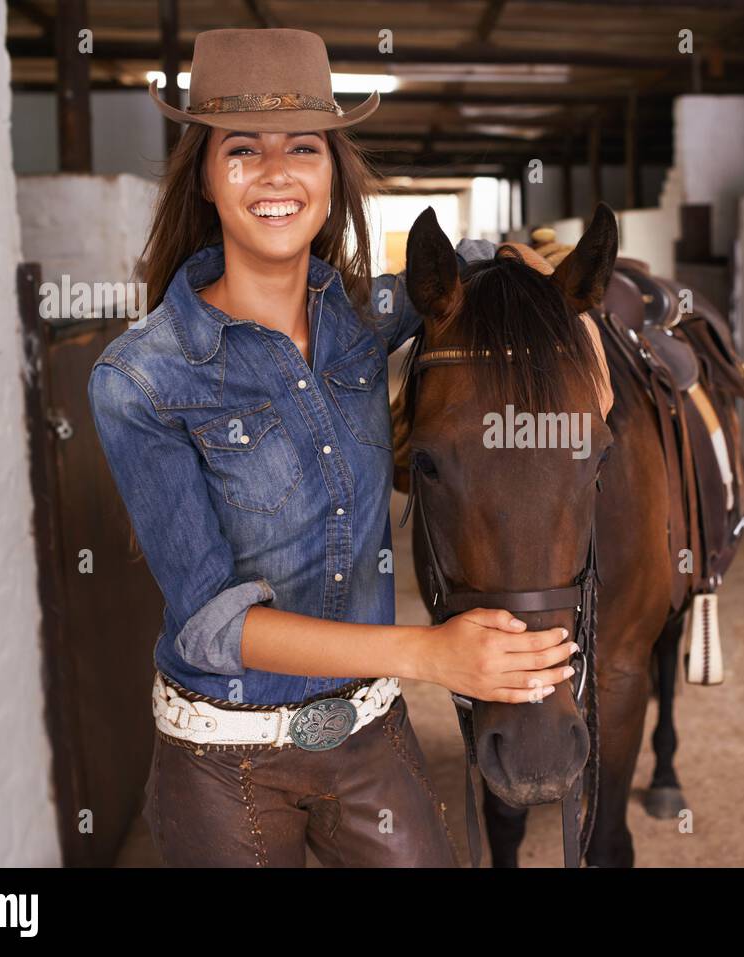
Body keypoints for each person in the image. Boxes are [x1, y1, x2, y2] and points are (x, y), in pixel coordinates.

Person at [87, 28, 577, 867]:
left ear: (330, 173)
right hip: (225, 759)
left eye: (303, 148)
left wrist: (551, 298)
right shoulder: (140, 378)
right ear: (205, 176)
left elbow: (471, 269)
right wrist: (430, 653)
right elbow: (214, 629)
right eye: (242, 149)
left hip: (366, 737)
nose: (276, 173)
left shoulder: (361, 322)